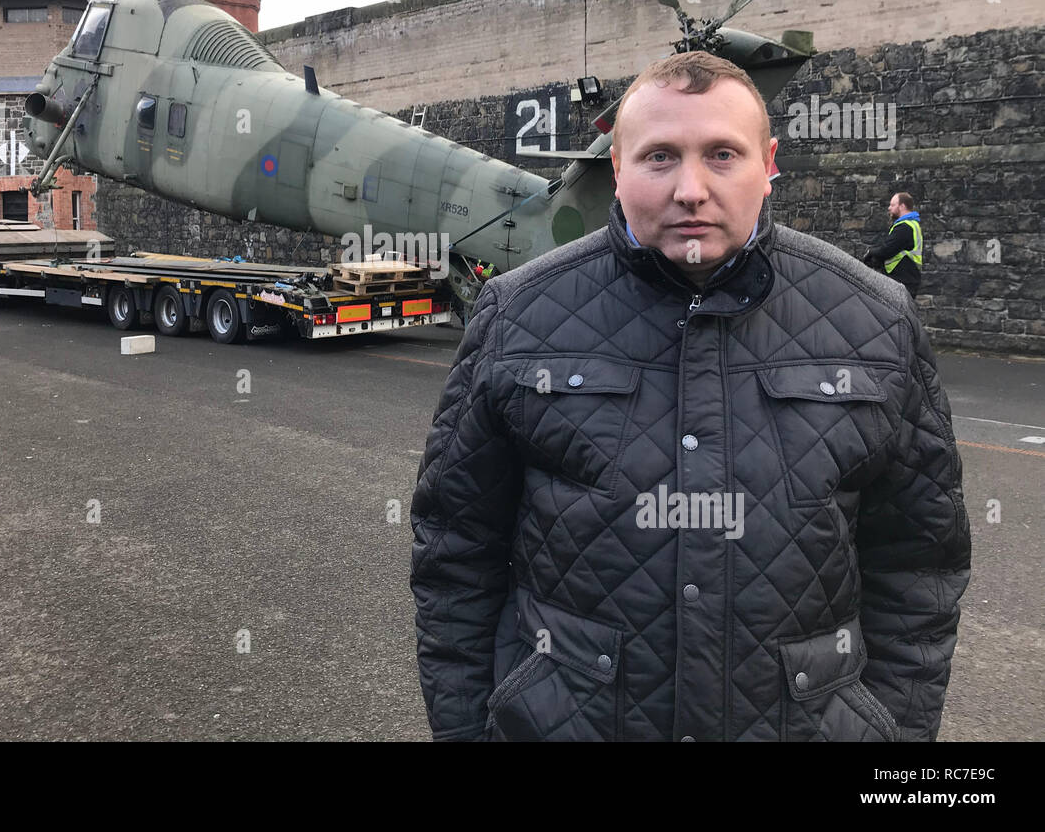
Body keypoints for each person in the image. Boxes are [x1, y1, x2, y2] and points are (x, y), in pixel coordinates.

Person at [409, 52, 970, 742]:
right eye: (659, 157)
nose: (691, 189)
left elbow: (919, 566)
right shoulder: (515, 315)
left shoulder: (877, 321)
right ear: (617, 169)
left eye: (723, 154)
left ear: (768, 164)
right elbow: (455, 551)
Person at [864, 193, 923, 298]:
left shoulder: (905, 227)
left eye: (892, 205)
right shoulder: (911, 224)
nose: (889, 208)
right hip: (907, 279)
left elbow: (887, 250)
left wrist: (870, 252)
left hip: (902, 281)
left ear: (902, 206)